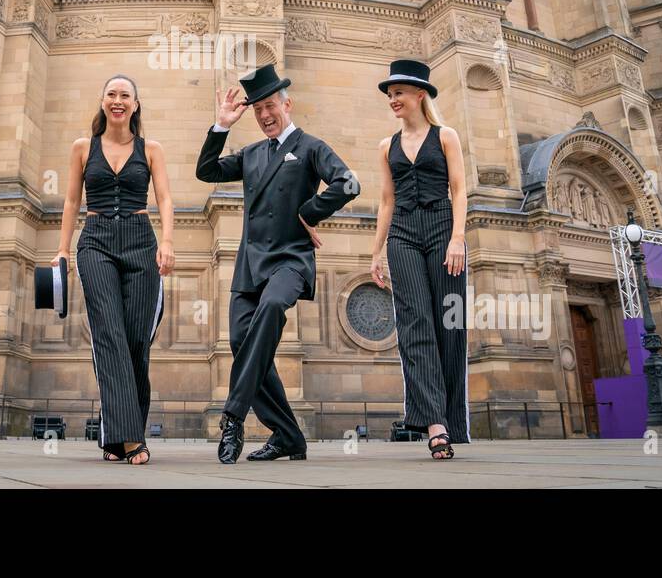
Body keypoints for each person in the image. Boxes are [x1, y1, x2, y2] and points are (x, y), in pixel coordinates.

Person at [196, 63, 359, 463]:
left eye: (270, 106)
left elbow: (349, 183)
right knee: (244, 342)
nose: (265, 115)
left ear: (287, 104)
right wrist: (221, 127)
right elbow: (206, 171)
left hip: (290, 261)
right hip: (250, 266)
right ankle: (289, 437)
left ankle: (232, 416)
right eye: (258, 110)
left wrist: (310, 211)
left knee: (270, 310)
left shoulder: (310, 147)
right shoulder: (250, 154)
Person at [54, 74, 175, 465]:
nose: (118, 100)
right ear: (102, 101)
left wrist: (169, 241)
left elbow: (166, 198)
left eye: (125, 95)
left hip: (142, 240)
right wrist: (62, 251)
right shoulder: (81, 148)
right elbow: (72, 201)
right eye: (112, 94)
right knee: (109, 334)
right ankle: (128, 439)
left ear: (135, 105)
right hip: (96, 241)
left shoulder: (151, 149)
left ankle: (117, 435)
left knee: (137, 341)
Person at [370, 58, 469, 459]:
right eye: (390, 95)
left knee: (450, 321)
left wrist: (458, 238)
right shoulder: (386, 146)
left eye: (399, 93)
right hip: (404, 235)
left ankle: (451, 418)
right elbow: (386, 200)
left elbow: (460, 189)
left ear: (419, 95)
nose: (393, 100)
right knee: (414, 324)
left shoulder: (446, 136)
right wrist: (377, 250)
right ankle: (434, 424)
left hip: (444, 229)